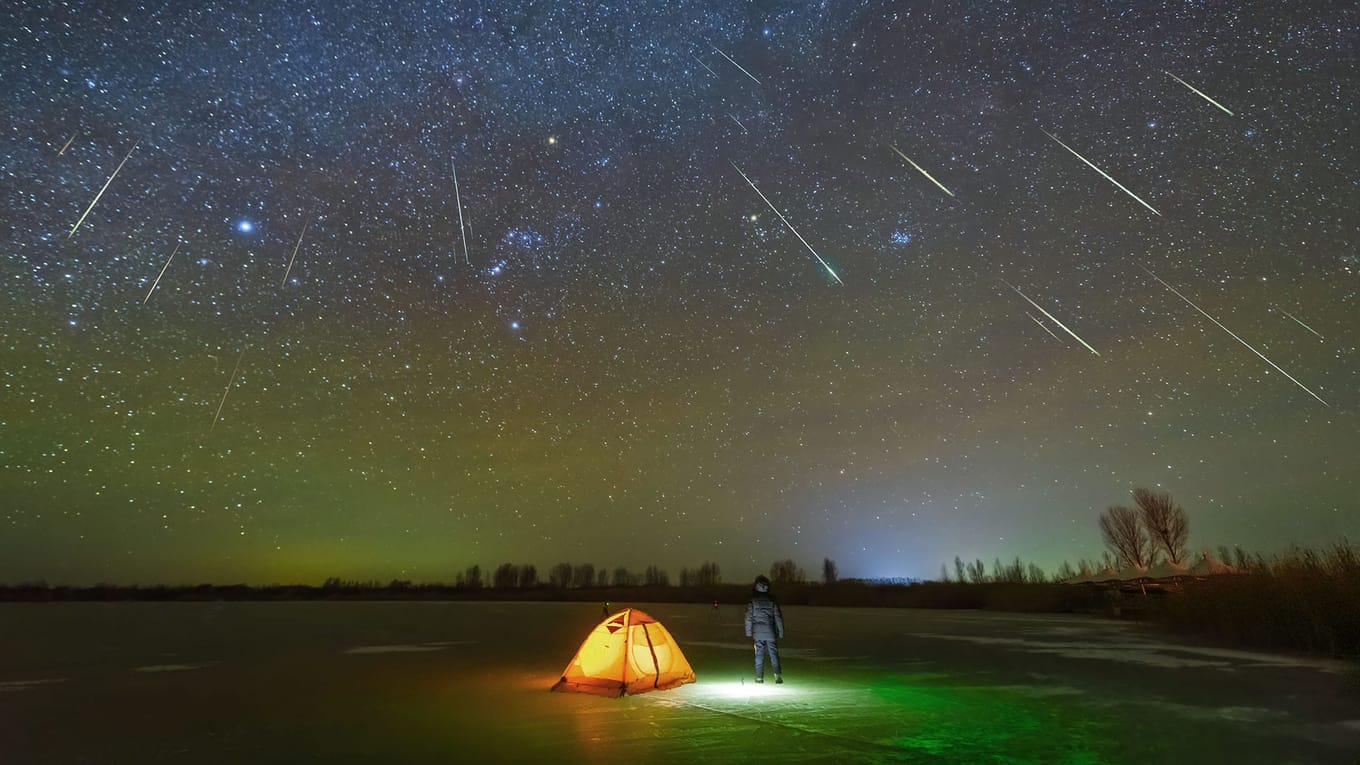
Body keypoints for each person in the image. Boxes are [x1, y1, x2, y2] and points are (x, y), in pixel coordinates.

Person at [744, 575, 784, 684]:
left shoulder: (753, 601)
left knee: (759, 655)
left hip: (758, 633)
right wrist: (780, 632)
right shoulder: (772, 600)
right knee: (773, 654)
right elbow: (778, 617)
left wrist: (748, 632)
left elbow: (748, 617)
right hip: (770, 632)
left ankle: (759, 677)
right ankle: (777, 675)